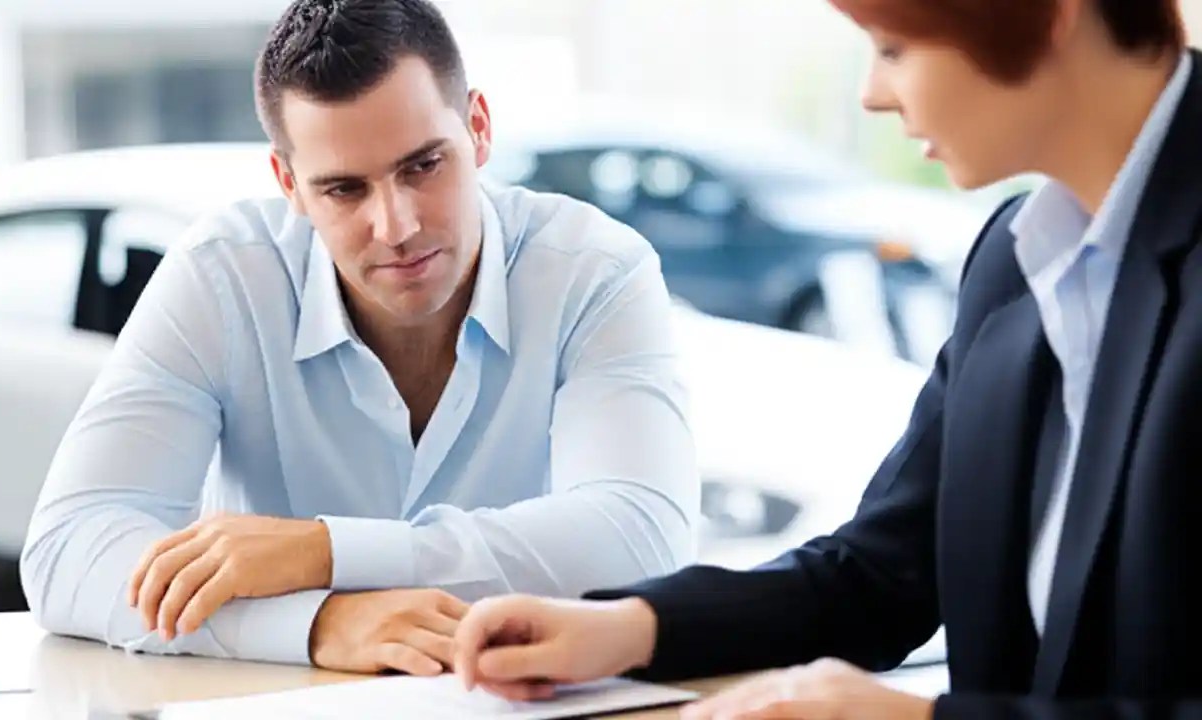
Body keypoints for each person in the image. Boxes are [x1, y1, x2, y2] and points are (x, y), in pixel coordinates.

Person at [453, 1, 1202, 717]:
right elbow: (880, 573)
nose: (872, 94)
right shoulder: (1019, 257)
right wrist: (634, 627)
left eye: (892, 47)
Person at [19, 0, 698, 676]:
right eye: (344, 189)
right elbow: (68, 550)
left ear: (479, 129)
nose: (396, 225)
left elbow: (642, 541)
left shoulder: (596, 271)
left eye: (423, 166)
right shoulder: (222, 277)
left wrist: (323, 553)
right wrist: (319, 622)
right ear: (290, 184)